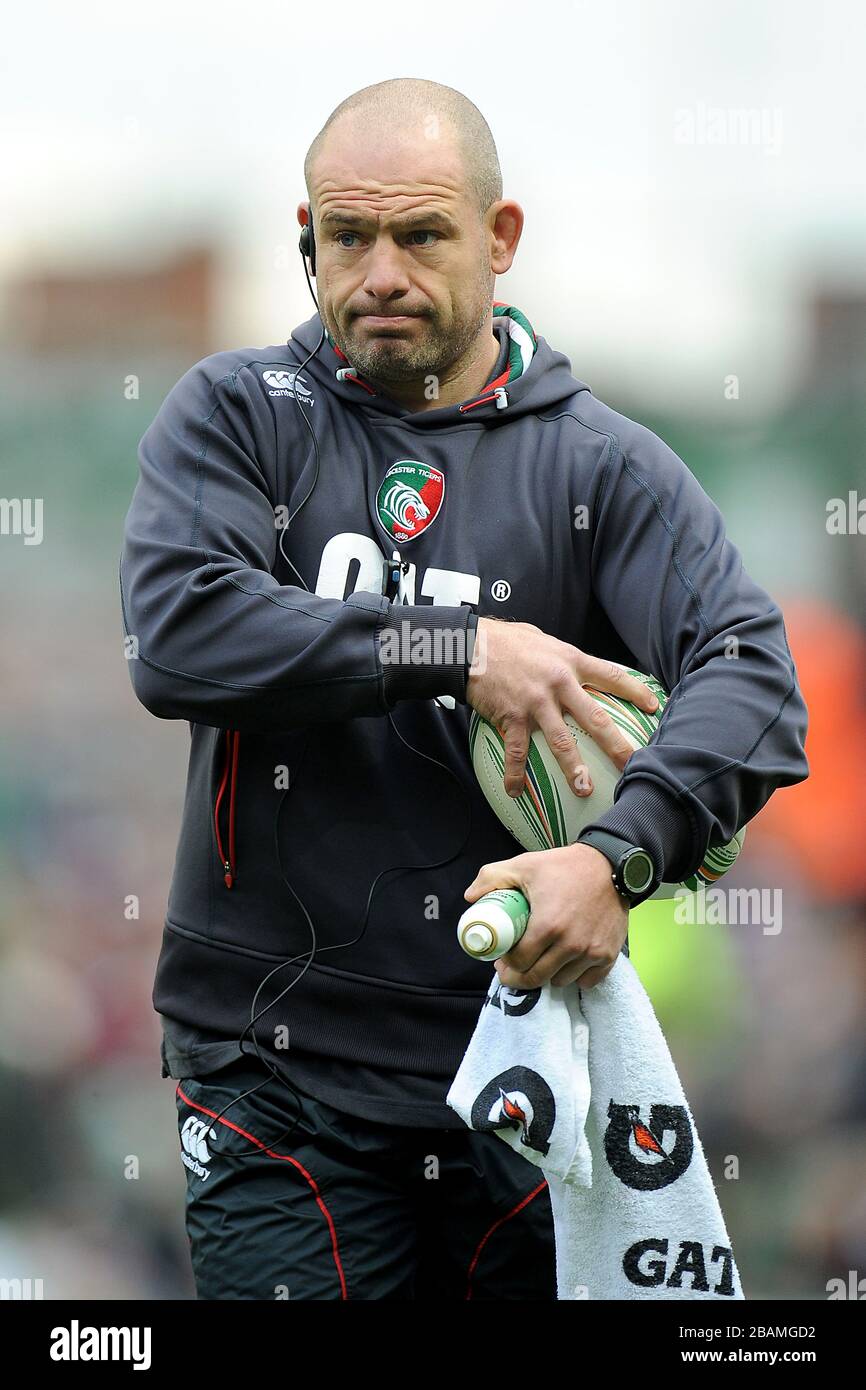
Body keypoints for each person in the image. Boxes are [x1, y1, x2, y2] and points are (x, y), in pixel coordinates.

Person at [120, 77, 809, 1300]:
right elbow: (179, 634)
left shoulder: (598, 465)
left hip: (517, 1067)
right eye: (347, 236)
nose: (378, 272)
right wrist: (461, 647)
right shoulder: (235, 416)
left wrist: (613, 861)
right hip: (272, 1077)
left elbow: (752, 677)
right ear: (308, 240)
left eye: (420, 234)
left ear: (497, 240)